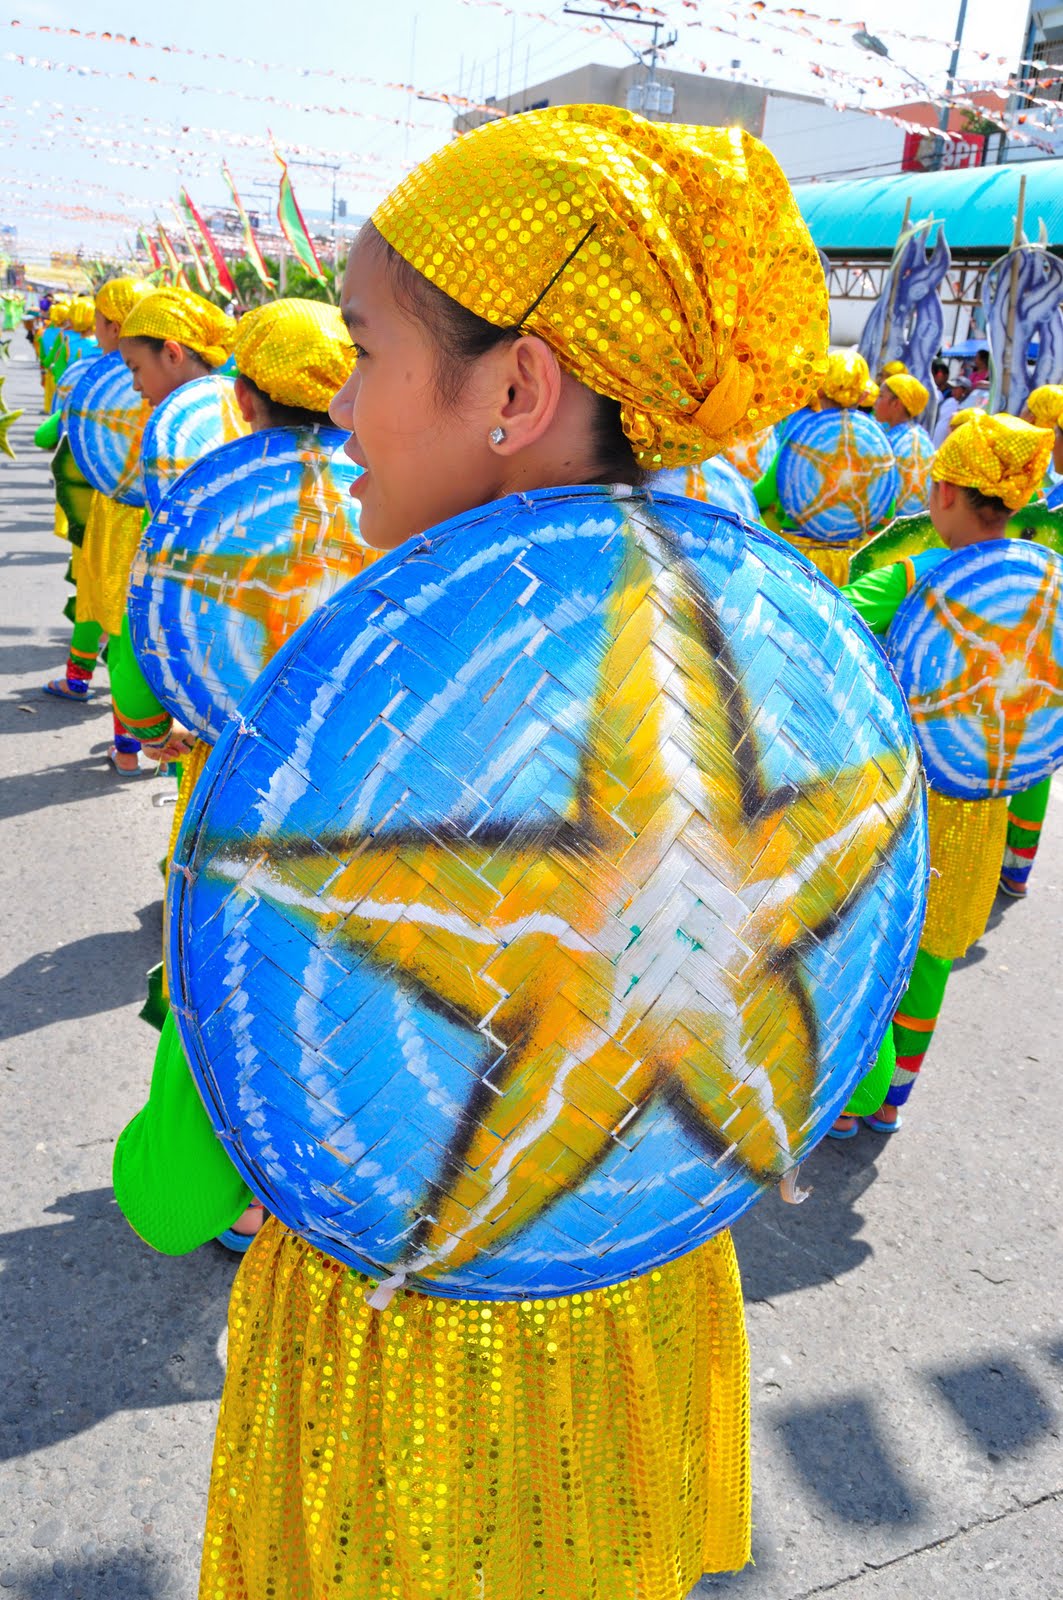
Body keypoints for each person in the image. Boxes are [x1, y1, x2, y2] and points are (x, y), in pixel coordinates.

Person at [114, 107, 835, 1600]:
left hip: (397, 1404)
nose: (340, 407)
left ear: (516, 386)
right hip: (639, 1330)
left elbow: (172, 1195)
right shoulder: (779, 676)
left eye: (365, 350)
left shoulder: (320, 768)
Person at [832, 413, 1053, 1134]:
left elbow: (831, 630)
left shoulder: (911, 576)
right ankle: (891, 1100)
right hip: (981, 804)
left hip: (897, 799)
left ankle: (849, 1100)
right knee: (928, 959)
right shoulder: (1043, 586)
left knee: (869, 946)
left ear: (946, 494)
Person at [107, 287, 236, 772]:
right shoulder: (251, 427)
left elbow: (153, 596)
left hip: (202, 699)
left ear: (173, 353)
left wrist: (149, 726)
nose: (135, 386)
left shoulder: (176, 455)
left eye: (136, 368)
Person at [42, 277, 152, 713]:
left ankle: (80, 679)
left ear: (111, 326)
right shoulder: (183, 388)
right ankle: (146, 732)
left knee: (99, 600)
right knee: (141, 617)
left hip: (104, 512)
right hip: (159, 516)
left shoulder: (90, 378)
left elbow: (46, 435)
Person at [933, 373, 972, 446]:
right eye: (952, 388)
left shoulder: (969, 408)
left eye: (956, 388)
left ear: (964, 390)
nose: (953, 391)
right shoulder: (950, 401)